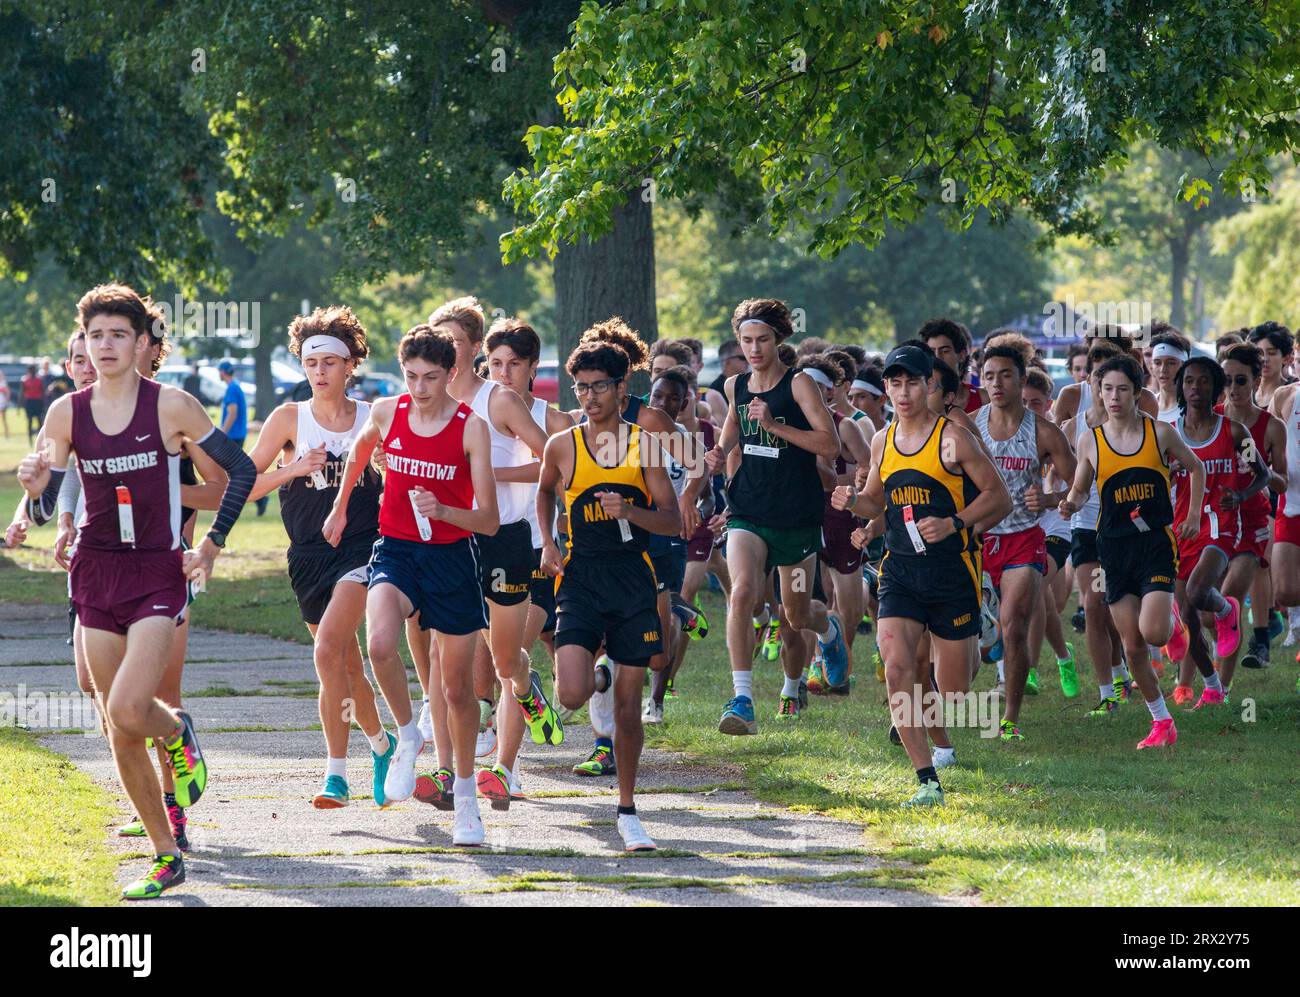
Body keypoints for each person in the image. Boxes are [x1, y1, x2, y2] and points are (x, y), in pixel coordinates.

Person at [19, 282, 256, 898]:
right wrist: (38, 483)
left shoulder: (172, 406)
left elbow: (243, 470)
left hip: (157, 570)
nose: (104, 345)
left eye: (118, 334)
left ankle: (177, 733)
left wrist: (210, 546)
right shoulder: (65, 412)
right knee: (116, 724)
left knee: (130, 708)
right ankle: (165, 853)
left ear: (144, 342)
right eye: (95, 335)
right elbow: (45, 503)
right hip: (95, 572)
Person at [191, 307, 395, 808]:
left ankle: (335, 775)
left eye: (330, 362)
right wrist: (293, 469)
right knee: (346, 665)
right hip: (306, 555)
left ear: (350, 365)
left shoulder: (374, 416)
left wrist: (388, 467)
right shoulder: (288, 419)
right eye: (311, 363)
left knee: (328, 650)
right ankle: (382, 745)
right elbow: (238, 484)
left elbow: (405, 476)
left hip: (362, 548)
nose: (320, 371)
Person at [324, 323, 499, 846]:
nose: (419, 388)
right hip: (395, 548)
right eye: (411, 376)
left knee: (455, 690)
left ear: (451, 374)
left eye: (430, 378)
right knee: (379, 644)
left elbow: (488, 520)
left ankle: (465, 797)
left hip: (450, 557)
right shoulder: (386, 412)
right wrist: (339, 506)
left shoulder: (471, 427)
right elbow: (358, 452)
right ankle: (406, 737)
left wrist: (444, 509)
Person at [831, 343, 1011, 805]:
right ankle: (926, 778)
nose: (903, 392)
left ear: (930, 384)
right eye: (895, 383)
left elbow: (999, 497)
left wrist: (953, 522)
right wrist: (852, 501)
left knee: (951, 692)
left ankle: (982, 621)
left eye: (912, 382)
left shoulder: (953, 439)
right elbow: (875, 500)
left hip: (953, 572)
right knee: (897, 665)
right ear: (887, 389)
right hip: (900, 571)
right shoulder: (881, 440)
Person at [536, 332, 683, 851]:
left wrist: (631, 511)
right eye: (581, 387)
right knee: (572, 694)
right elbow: (544, 491)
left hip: (632, 582)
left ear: (622, 389)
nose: (590, 397)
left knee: (628, 708)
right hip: (578, 579)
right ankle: (593, 670)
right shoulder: (562, 444)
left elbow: (673, 523)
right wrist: (548, 544)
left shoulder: (645, 447)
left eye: (600, 386)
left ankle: (627, 810)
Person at [432, 300, 562, 811]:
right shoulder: (428, 400)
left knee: (507, 658)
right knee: (455, 661)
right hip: (453, 541)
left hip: (515, 538)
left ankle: (511, 746)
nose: (505, 371)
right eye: (499, 361)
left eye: (515, 363)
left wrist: (488, 477)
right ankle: (458, 771)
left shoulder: (502, 404)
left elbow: (555, 461)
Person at [706, 299, 849, 731]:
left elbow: (831, 447)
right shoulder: (736, 386)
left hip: (796, 517)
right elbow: (731, 434)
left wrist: (776, 426)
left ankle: (828, 633)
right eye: (746, 340)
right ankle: (742, 700)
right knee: (743, 592)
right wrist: (718, 454)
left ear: (779, 340)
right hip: (748, 509)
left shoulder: (800, 384)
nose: (754, 348)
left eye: (762, 340)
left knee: (796, 614)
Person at [1059, 354, 1205, 750]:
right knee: (1134, 645)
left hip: (1155, 543)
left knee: (1153, 631)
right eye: (1107, 389)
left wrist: (1191, 515)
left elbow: (1196, 467)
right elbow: (1081, 487)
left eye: (1123, 389)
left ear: (1138, 393)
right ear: (1098, 391)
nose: (1114, 397)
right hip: (1113, 548)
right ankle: (1161, 722)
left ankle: (1174, 623)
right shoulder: (1090, 439)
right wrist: (1069, 504)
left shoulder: (1159, 433)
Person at [976, 335, 1076, 741]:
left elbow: (1080, 487)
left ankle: (1010, 717)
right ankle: (984, 648)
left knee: (1015, 625)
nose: (997, 384)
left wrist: (1051, 497)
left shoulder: (1045, 432)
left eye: (1005, 376)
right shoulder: (969, 425)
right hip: (978, 539)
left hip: (1023, 538)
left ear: (1021, 380)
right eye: (988, 376)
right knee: (976, 636)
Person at [1165, 355, 1269, 708]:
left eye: (1204, 381)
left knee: (1198, 591)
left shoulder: (1234, 431)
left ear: (1215, 386)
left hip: (1221, 529)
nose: (1196, 388)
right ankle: (1211, 688)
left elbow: (1264, 475)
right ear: (1181, 386)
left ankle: (1226, 611)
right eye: (1189, 381)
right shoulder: (1168, 433)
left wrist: (1240, 495)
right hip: (1182, 530)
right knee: (1188, 617)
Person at [1218, 343, 1288, 678]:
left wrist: (1261, 469)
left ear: (1256, 379)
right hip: (1214, 516)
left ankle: (1260, 641)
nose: (1234, 389)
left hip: (1254, 514)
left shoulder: (1271, 426)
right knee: (1207, 596)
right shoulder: (1210, 419)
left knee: (1248, 577)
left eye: (1241, 380)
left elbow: (1282, 483)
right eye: (1227, 380)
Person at [920, 318, 986, 414]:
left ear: (962, 355)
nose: (937, 357)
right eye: (931, 352)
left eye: (945, 351)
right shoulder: (918, 401)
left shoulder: (984, 399)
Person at [22, 364, 44, 441]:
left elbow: (42, 391)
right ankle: (30, 438)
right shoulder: (25, 380)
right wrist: (21, 405)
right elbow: (22, 393)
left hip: (37, 401)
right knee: (30, 420)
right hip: (29, 402)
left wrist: (43, 403)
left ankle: (40, 438)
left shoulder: (39, 380)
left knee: (39, 420)